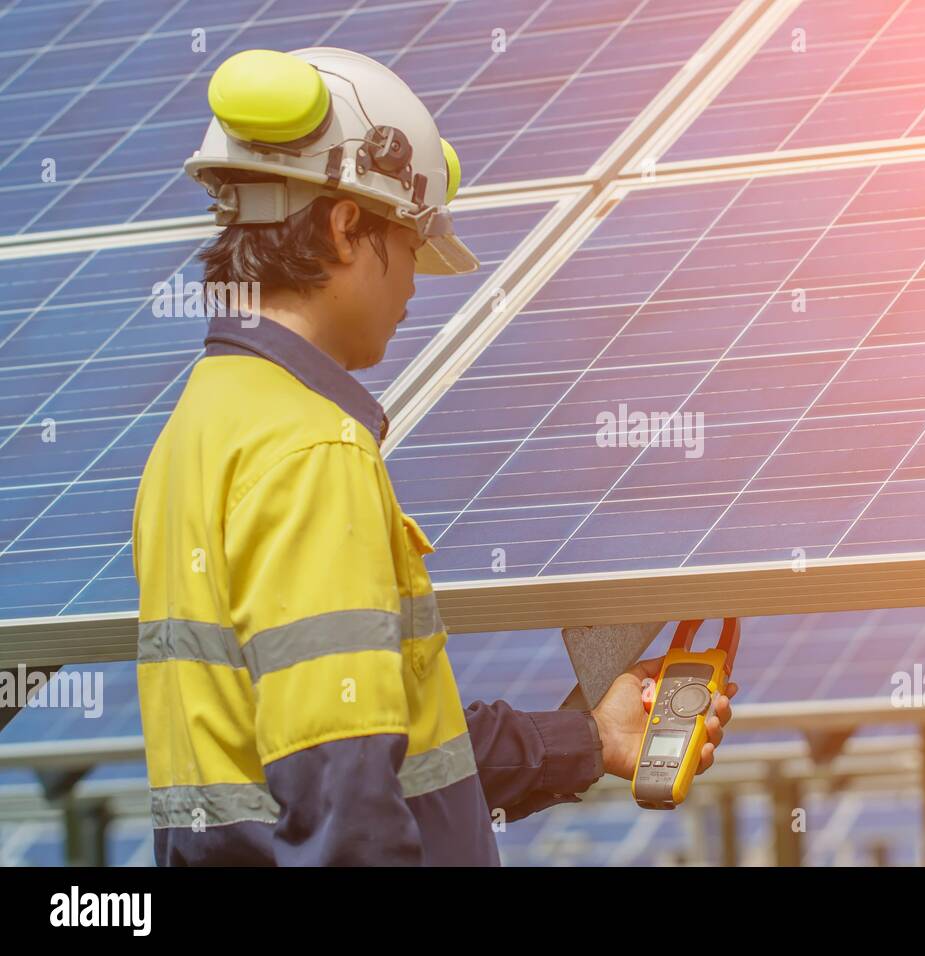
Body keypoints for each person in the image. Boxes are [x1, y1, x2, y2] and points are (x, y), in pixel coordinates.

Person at [132, 47, 736, 866]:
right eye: (413, 240)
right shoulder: (314, 449)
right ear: (348, 228)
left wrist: (590, 738)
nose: (417, 278)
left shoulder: (201, 426)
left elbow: (371, 747)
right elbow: (344, 794)